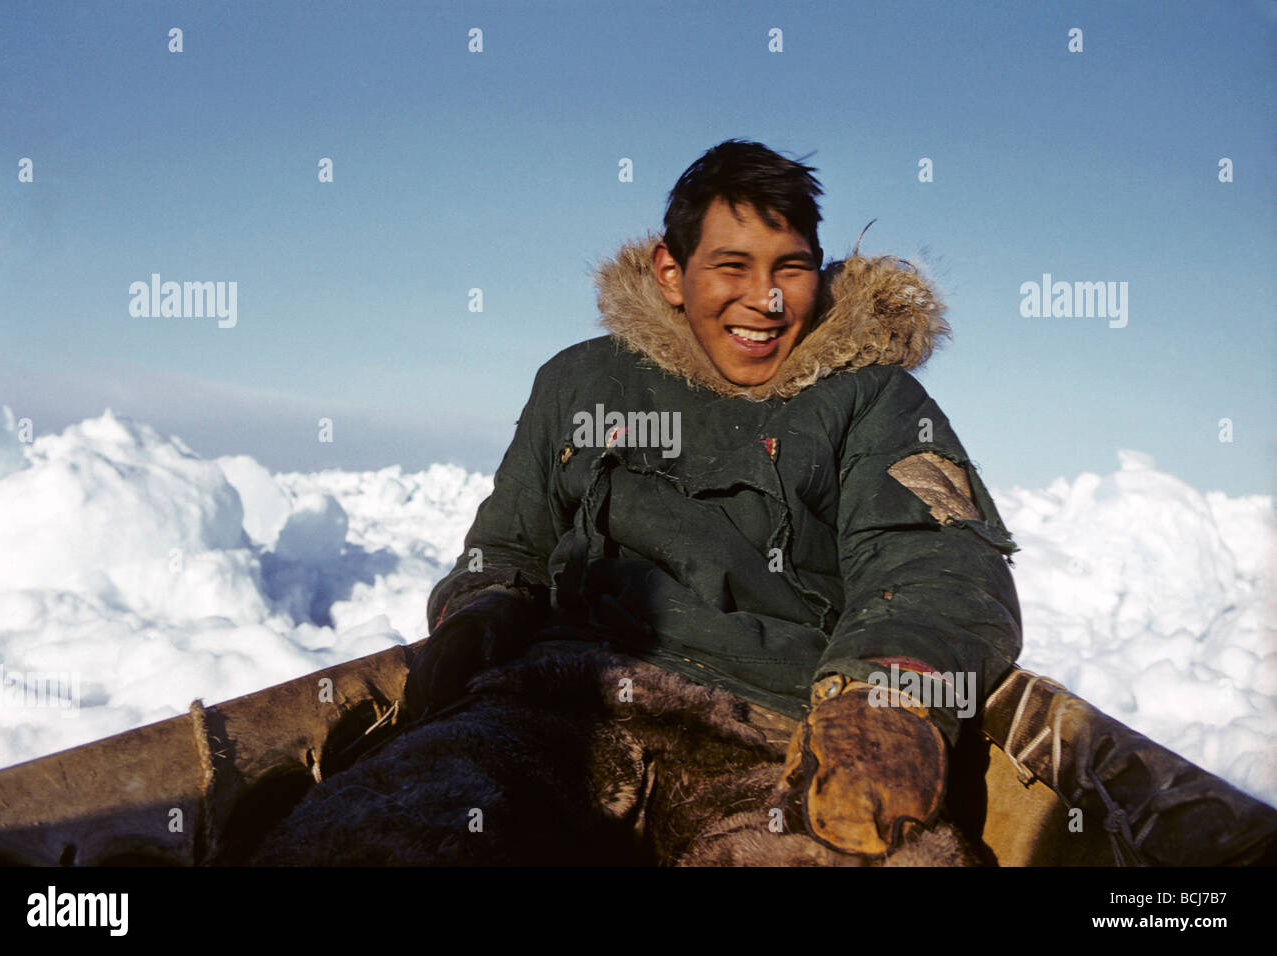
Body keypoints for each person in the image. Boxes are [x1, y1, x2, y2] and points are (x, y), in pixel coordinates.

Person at [252, 139, 1023, 866]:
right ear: (669, 271)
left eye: (791, 268)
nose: (766, 300)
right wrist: (479, 611)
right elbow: (507, 548)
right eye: (731, 266)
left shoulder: (875, 400)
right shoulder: (580, 382)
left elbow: (937, 564)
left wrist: (883, 694)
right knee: (376, 837)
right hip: (553, 708)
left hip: (778, 734)